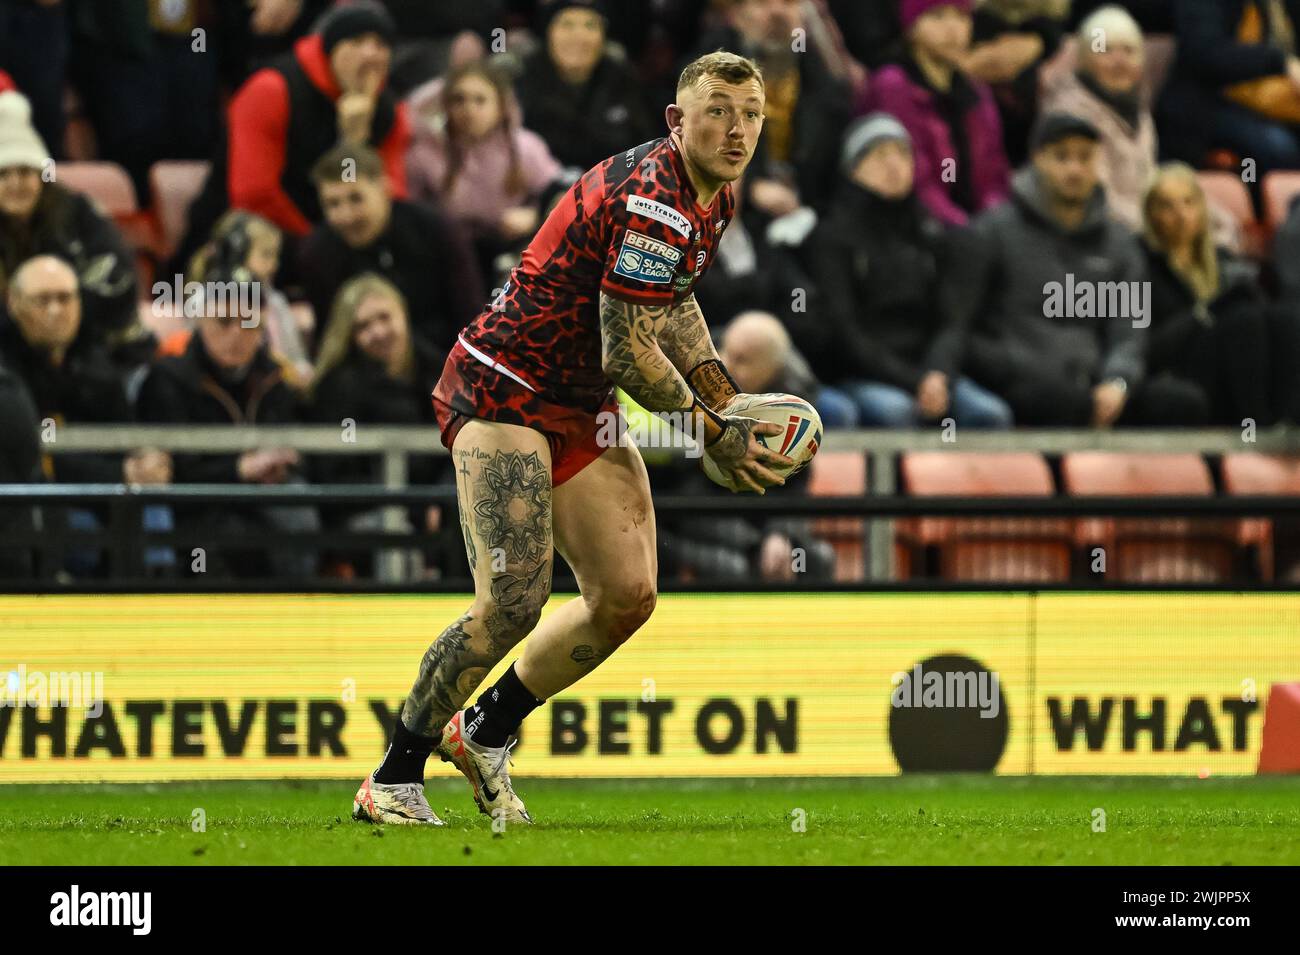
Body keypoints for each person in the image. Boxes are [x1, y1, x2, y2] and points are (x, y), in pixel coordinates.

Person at [351, 51, 794, 826]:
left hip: (577, 399)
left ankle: (485, 729)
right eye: (719, 109)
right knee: (514, 602)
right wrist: (715, 433)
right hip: (505, 386)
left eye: (751, 112)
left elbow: (674, 305)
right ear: (677, 120)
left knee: (627, 596)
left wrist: (726, 396)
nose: (737, 128)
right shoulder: (658, 198)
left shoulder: (712, 194)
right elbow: (628, 349)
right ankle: (393, 776)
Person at [946, 112, 1209, 427]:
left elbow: (1130, 331)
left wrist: (1118, 382)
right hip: (1023, 383)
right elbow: (961, 324)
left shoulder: (1121, 243)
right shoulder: (992, 232)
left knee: (1183, 403)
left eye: (1085, 158)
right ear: (1037, 160)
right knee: (1063, 403)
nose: (1075, 169)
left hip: (1098, 386)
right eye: (1062, 157)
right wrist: (1012, 366)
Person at [175, 2, 410, 274]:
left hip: (338, 247)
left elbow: (391, 197)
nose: (370, 54)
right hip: (245, 244)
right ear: (329, 49)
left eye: (381, 45)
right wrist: (320, 248)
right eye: (356, 42)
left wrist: (354, 142)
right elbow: (255, 196)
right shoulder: (272, 89)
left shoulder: (390, 111)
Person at [811, 112, 1013, 428]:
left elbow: (953, 320)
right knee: (897, 412)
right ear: (852, 169)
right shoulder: (833, 237)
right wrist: (913, 381)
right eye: (879, 155)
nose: (894, 165)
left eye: (902, 153)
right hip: (863, 375)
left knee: (989, 414)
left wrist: (938, 374)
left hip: (930, 373)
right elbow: (845, 333)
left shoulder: (931, 232)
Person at [135, 266, 318, 579]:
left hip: (264, 497)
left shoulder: (277, 378)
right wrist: (239, 469)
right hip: (197, 509)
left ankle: (299, 611)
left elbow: (304, 448)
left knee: (300, 509)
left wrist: (286, 464)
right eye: (223, 322)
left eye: (249, 324)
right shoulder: (169, 379)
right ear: (201, 321)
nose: (236, 333)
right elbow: (168, 473)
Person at [306, 273, 461, 577]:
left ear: (402, 314)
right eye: (363, 326)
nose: (378, 332)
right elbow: (333, 474)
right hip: (365, 510)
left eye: (384, 318)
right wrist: (414, 507)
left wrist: (439, 499)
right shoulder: (338, 388)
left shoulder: (440, 371)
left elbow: (461, 445)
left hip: (436, 504)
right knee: (396, 533)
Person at [1142, 162, 1300, 425]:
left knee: (1285, 318)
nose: (1180, 214)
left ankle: (1288, 421)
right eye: (1167, 206)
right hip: (1178, 371)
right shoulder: (1143, 264)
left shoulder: (1222, 260)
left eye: (1188, 202)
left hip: (1234, 365)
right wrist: (1206, 312)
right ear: (1151, 214)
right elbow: (1149, 348)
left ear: (1202, 209)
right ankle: (1254, 426)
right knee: (1244, 320)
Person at [299, 143, 484, 353]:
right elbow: (329, 340)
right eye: (333, 204)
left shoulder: (436, 231)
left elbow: (470, 317)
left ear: (384, 189)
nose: (345, 216)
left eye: (355, 199)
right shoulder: (317, 254)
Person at [0, 92, 137, 352]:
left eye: (25, 171)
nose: (15, 184)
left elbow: (119, 286)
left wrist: (58, 319)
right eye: (3, 174)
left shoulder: (79, 214)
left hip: (91, 347)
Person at [406, 61, 563, 280]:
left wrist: (536, 216)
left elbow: (563, 197)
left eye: (480, 100)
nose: (469, 109)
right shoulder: (424, 154)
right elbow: (411, 216)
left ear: (501, 106)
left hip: (517, 249)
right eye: (458, 99)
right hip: (452, 255)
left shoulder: (525, 146)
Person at [868, 0, 1010, 226]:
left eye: (961, 17)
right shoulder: (893, 87)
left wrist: (993, 226)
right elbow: (916, 180)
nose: (953, 29)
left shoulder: (975, 92)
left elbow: (993, 173)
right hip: (914, 227)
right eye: (938, 16)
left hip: (976, 231)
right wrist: (965, 229)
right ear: (912, 27)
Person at [1041, 6, 1157, 232]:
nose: (1120, 62)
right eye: (1106, 51)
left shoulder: (1138, 109)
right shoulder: (1070, 115)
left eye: (1129, 51)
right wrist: (1157, 228)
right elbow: (1092, 198)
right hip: (1096, 234)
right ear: (1085, 60)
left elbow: (1150, 180)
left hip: (1143, 227)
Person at [1157, 0, 1300, 174]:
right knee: (1278, 147)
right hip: (1206, 103)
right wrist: (1280, 62)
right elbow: (1206, 57)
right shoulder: (1205, 6)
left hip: (1268, 99)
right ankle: (1257, 193)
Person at [512, 0, 655, 171]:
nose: (578, 36)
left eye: (590, 26)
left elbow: (647, 145)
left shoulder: (623, 79)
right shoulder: (523, 79)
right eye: (567, 25)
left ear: (604, 37)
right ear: (548, 32)